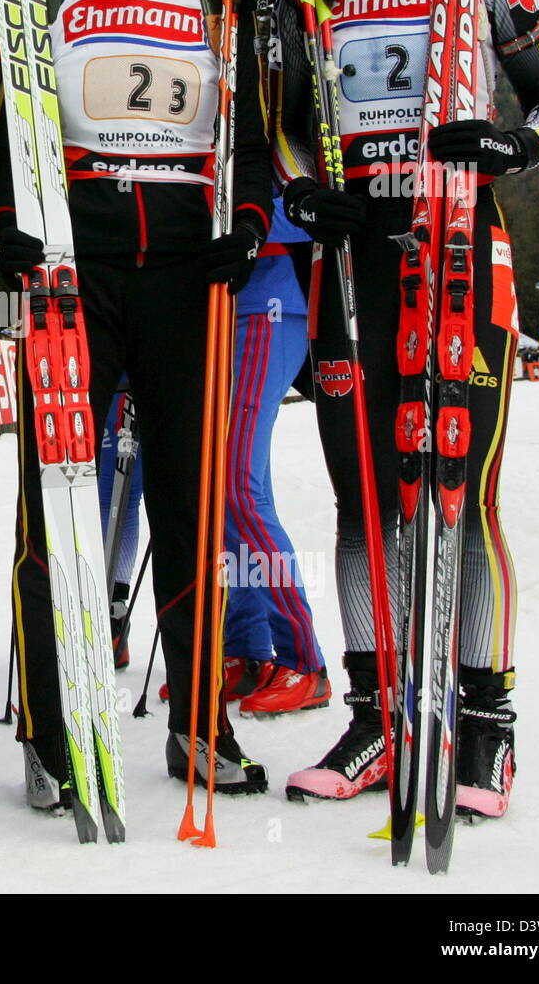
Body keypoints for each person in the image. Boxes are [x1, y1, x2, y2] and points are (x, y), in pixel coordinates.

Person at [274, 0, 539, 816]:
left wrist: (513, 145)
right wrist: (302, 184)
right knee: (363, 497)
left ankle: (482, 724)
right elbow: (285, 125)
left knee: (458, 489)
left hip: (459, 251)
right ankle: (378, 715)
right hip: (354, 257)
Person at [0, 0, 275, 807]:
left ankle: (200, 721)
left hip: (185, 271)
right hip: (74, 263)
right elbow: (5, 125)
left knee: (191, 499)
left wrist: (244, 222)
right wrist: (10, 220)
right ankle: (52, 729)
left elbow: (251, 127)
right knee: (57, 498)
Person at [222, 189, 329, 715]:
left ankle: (303, 660)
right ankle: (245, 649)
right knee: (224, 489)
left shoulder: (272, 111)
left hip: (269, 301)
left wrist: (238, 220)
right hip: (218, 303)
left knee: (237, 488)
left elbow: (308, 205)